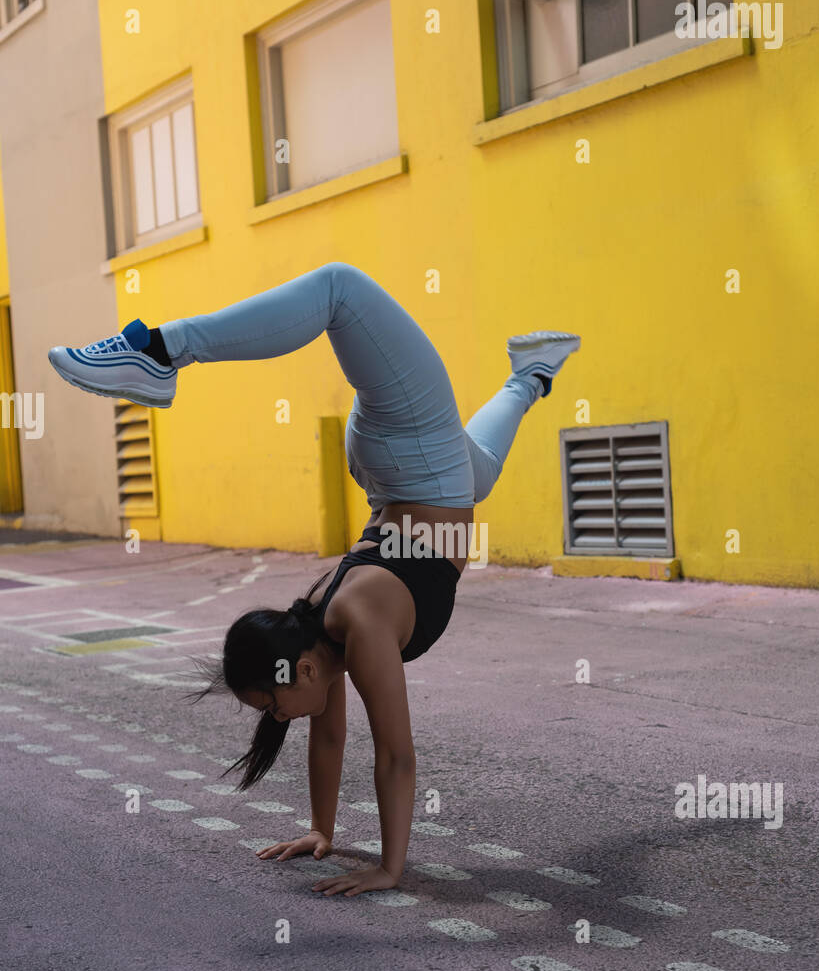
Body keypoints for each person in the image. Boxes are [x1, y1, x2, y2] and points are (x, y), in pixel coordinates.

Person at [49, 262, 580, 895]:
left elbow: (396, 756)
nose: (282, 719)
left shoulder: (353, 617)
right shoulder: (326, 641)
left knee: (339, 288)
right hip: (412, 470)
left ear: (299, 669)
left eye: (272, 707)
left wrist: (389, 868)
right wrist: (322, 831)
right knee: (481, 474)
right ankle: (533, 371)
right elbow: (330, 736)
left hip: (411, 458)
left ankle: (158, 350)